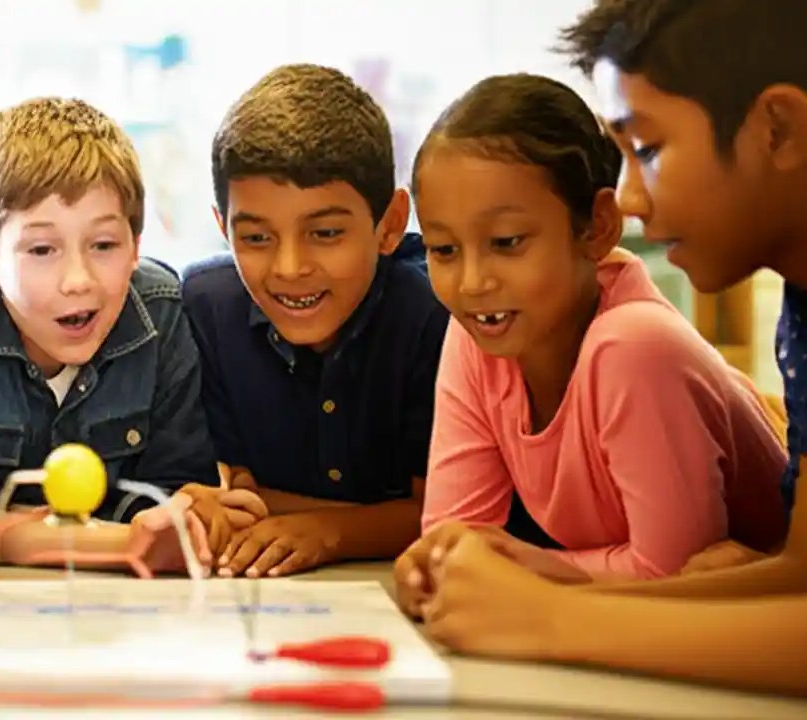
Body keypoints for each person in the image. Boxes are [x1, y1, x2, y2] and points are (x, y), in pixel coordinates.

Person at [414, 0, 807, 697]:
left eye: (647, 150)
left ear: (779, 128)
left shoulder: (634, 342)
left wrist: (547, 613)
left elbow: (699, 570)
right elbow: (796, 572)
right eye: (444, 249)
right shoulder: (800, 314)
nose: (630, 197)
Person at [395, 73, 786, 597]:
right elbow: (453, 541)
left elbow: (674, 575)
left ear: (598, 226)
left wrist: (517, 569)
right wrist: (434, 569)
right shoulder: (482, 332)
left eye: (507, 242)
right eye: (444, 250)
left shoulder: (634, 346)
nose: (471, 282)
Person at [0, 97, 263, 573]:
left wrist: (188, 512)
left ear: (136, 247)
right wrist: (125, 544)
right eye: (42, 250)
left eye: (103, 245)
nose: (78, 279)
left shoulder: (160, 315)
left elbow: (172, 487)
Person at [181, 64, 448, 578]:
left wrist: (331, 532)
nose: (289, 269)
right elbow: (231, 495)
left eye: (325, 233)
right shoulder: (202, 307)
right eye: (256, 238)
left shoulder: (433, 316)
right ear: (222, 227)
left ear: (390, 225)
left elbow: (448, 514)